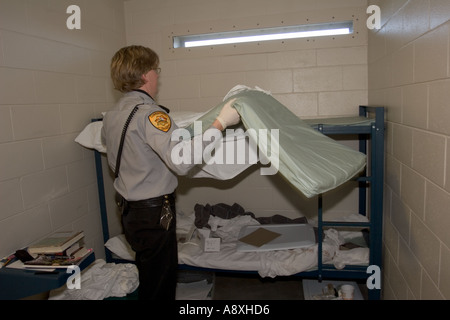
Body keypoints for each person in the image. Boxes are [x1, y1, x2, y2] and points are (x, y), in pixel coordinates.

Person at [101, 45, 240, 300]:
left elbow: (117, 160)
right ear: (145, 74)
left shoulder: (111, 115)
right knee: (161, 283)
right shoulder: (151, 114)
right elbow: (183, 162)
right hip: (154, 212)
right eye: (156, 70)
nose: (158, 76)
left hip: (128, 209)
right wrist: (220, 124)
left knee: (149, 273)